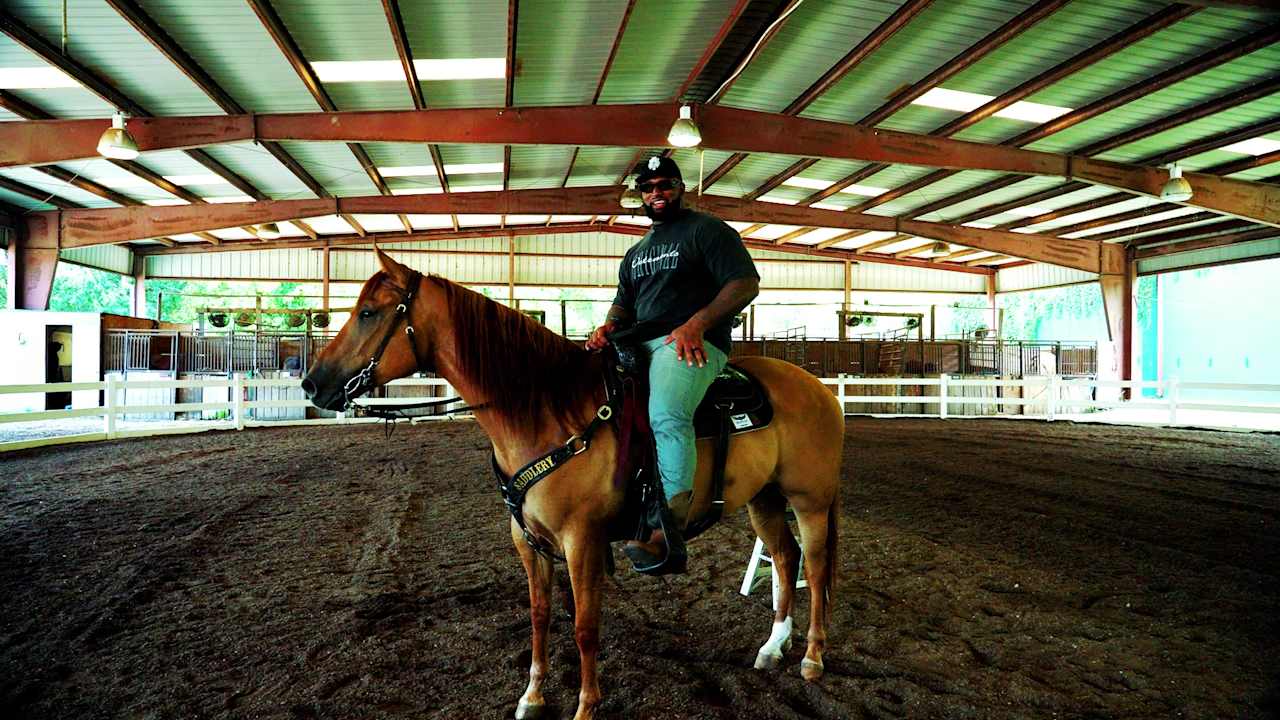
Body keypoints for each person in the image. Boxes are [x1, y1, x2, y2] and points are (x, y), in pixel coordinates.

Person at [585, 155, 760, 574]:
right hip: (637, 344)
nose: (656, 194)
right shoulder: (636, 252)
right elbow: (623, 303)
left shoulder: (708, 232)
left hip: (688, 344)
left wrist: (695, 325)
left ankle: (669, 522)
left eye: (664, 186)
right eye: (648, 188)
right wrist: (607, 328)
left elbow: (744, 283)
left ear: (681, 189)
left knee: (666, 413)